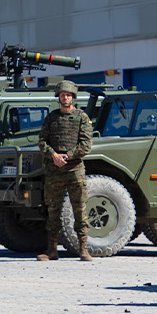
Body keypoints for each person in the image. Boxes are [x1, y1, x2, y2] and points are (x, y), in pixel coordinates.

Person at [38, 80, 95, 261]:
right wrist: (53, 155)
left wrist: (67, 156)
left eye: (68, 95)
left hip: (75, 170)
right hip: (54, 171)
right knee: (53, 211)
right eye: (63, 95)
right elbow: (42, 142)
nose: (65, 97)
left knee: (80, 210)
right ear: (58, 97)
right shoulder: (51, 118)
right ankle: (52, 250)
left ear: (73, 97)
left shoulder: (82, 117)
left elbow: (86, 145)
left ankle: (83, 249)